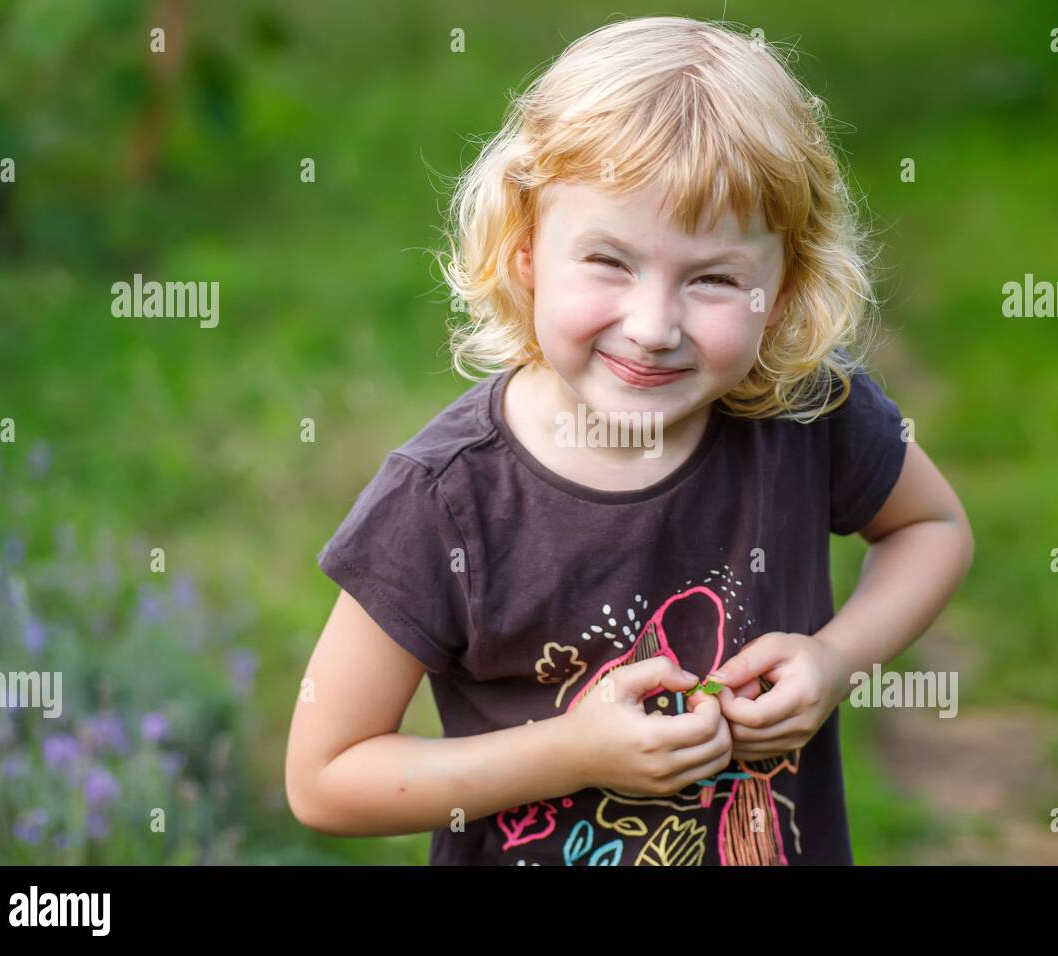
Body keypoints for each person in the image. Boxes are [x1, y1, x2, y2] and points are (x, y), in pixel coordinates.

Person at [285, 15, 973, 865]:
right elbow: (324, 778)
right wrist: (571, 754)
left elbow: (930, 529)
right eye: (610, 262)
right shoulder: (447, 502)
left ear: (784, 287)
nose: (652, 327)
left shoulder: (805, 416)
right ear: (528, 251)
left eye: (713, 279)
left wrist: (834, 660)